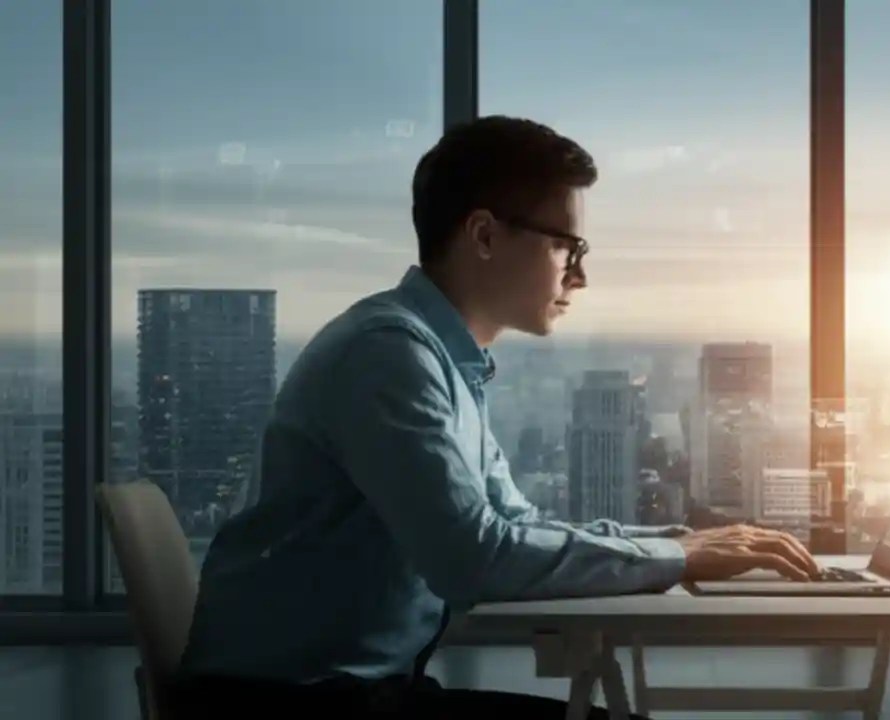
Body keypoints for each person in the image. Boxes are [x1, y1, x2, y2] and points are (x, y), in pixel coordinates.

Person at [170, 115, 820, 719]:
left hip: (351, 693)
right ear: (483, 235)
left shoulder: (438, 358)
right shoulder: (387, 356)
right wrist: (673, 558)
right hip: (288, 705)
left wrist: (674, 543)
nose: (580, 277)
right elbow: (473, 557)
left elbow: (514, 525)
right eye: (567, 247)